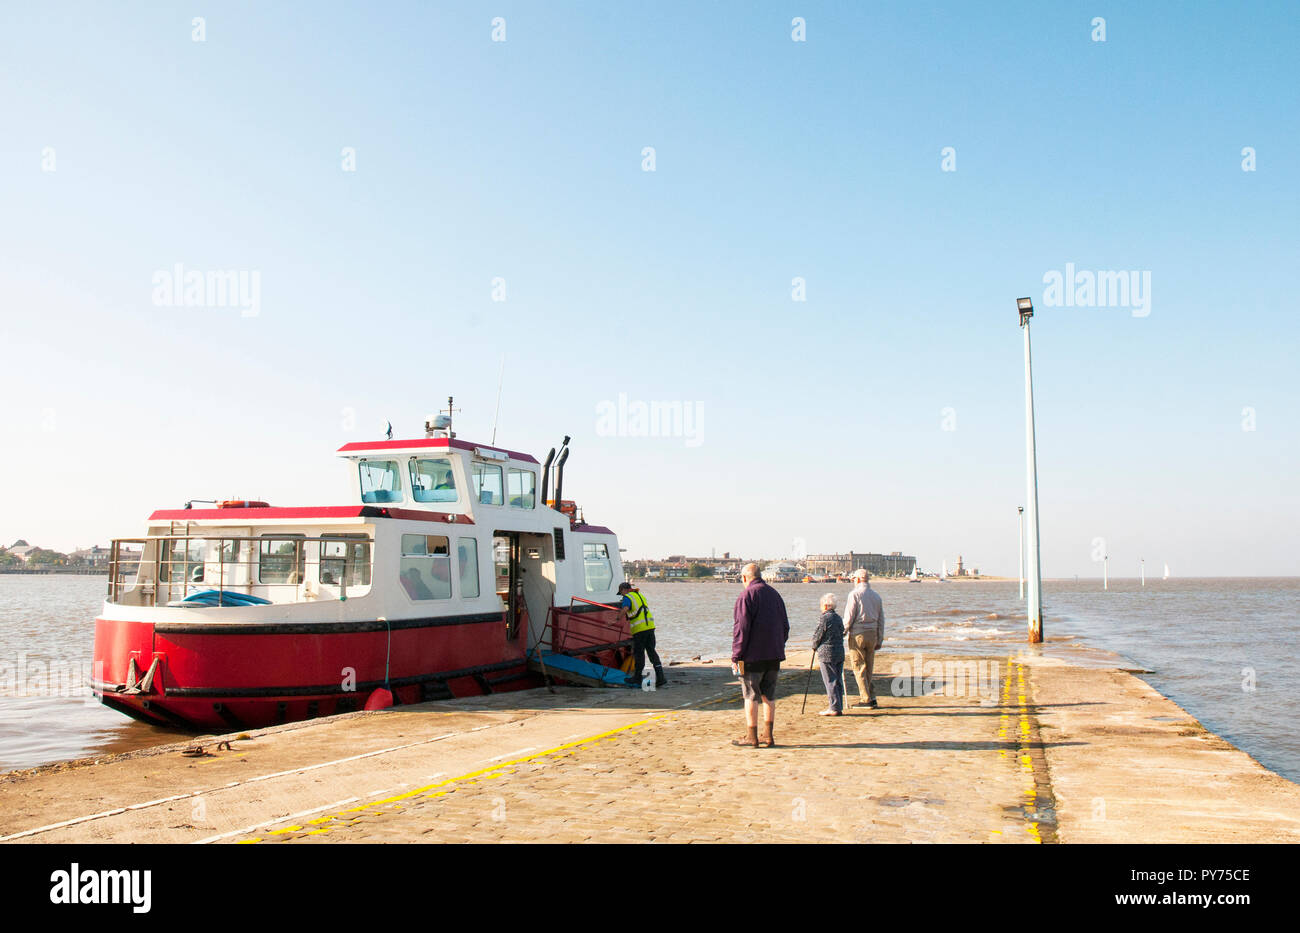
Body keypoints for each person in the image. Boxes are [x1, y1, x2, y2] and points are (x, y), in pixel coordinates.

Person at [731, 563, 789, 747]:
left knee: (750, 695)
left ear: (745, 577)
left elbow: (741, 628)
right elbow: (785, 626)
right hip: (774, 654)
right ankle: (768, 735)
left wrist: (736, 655)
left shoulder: (746, 595)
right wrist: (778, 644)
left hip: (752, 655)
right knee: (769, 695)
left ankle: (752, 736)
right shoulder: (775, 594)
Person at [843, 568, 885, 708]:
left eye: (854, 578)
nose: (853, 581)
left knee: (859, 666)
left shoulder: (854, 594)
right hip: (872, 633)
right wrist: (880, 638)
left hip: (858, 634)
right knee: (869, 667)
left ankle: (865, 699)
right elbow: (881, 619)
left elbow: (849, 618)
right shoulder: (876, 596)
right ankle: (871, 696)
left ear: (859, 579)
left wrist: (842, 632)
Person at [618, 582, 666, 688]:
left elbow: (625, 609)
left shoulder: (628, 597)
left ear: (624, 590)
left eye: (621, 593)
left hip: (640, 630)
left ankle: (637, 678)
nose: (622, 596)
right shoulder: (640, 595)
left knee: (639, 653)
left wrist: (616, 619)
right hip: (650, 627)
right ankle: (661, 677)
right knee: (652, 652)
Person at [811, 592, 845, 715]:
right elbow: (842, 632)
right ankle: (838, 705)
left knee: (830, 680)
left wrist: (814, 646)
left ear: (825, 606)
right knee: (837, 679)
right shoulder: (838, 618)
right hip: (839, 651)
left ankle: (834, 707)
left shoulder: (824, 618)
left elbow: (818, 634)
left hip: (827, 653)